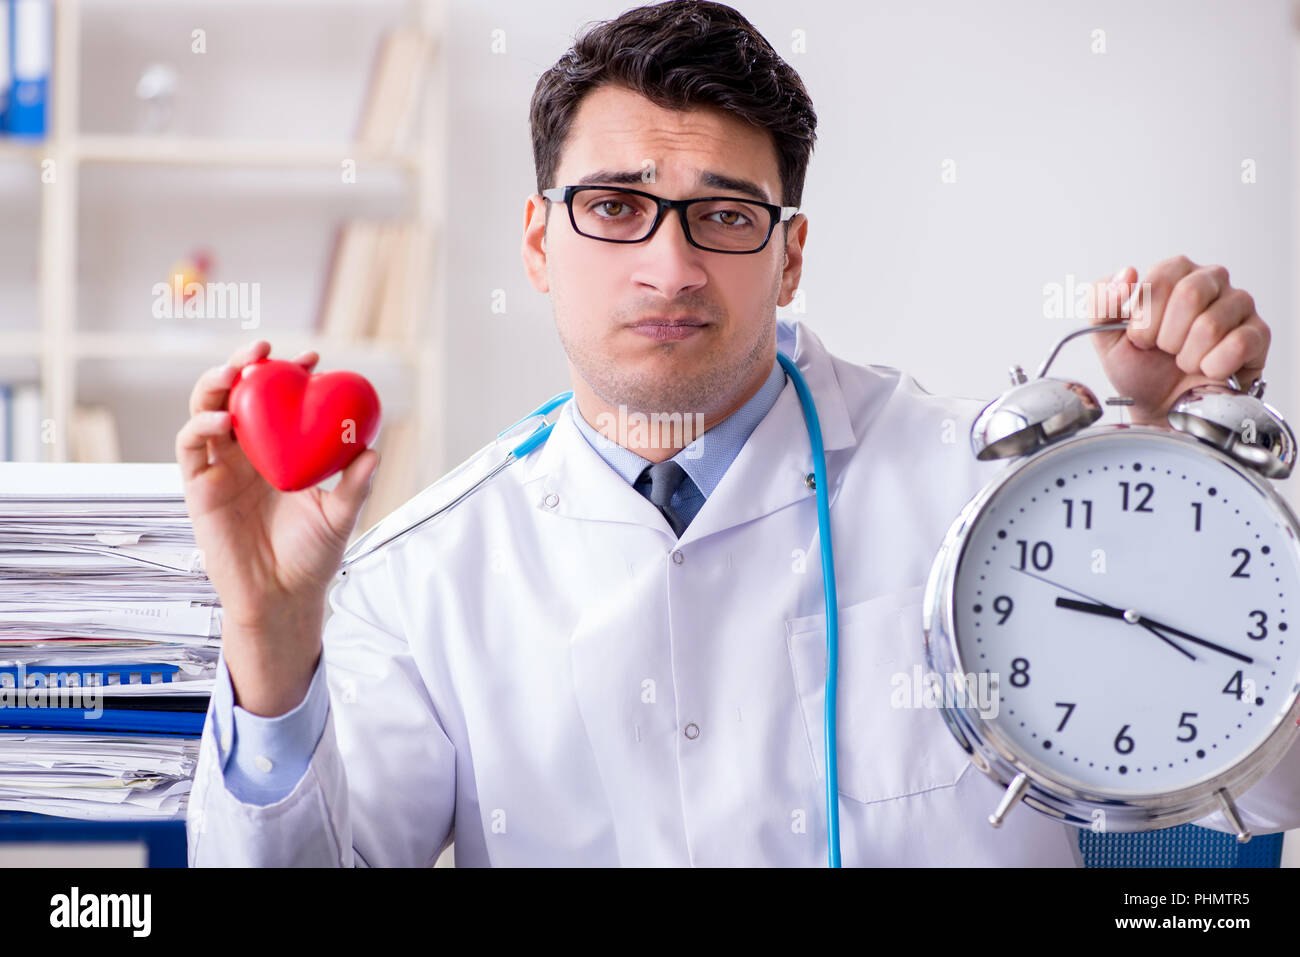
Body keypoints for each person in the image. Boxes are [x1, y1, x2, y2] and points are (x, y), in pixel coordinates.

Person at [176, 1, 1293, 866]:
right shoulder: (422, 575)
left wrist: (1170, 467)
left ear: (788, 254)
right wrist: (271, 650)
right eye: (614, 207)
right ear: (537, 240)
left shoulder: (997, 490)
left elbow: (1268, 790)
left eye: (723, 215)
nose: (670, 267)